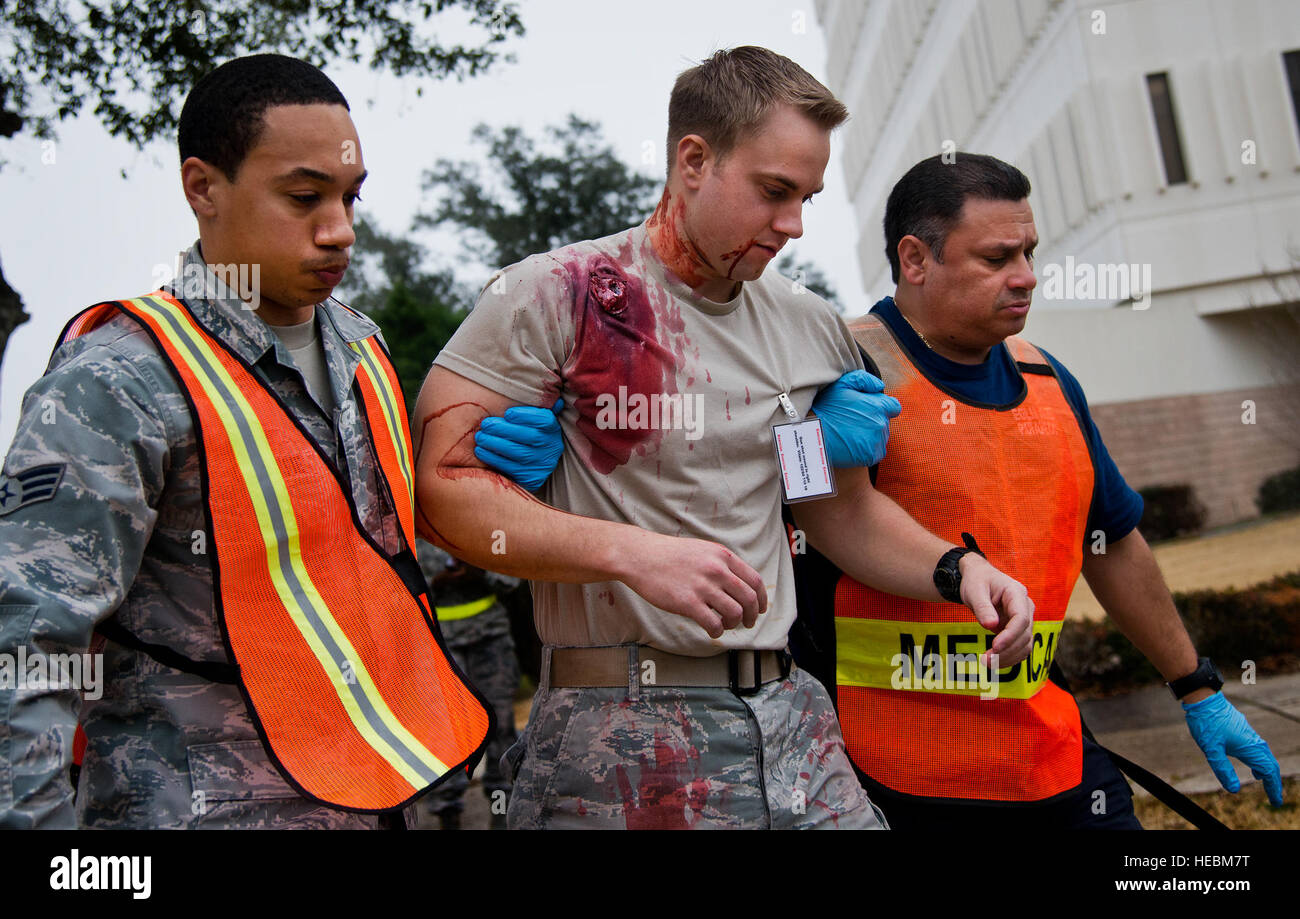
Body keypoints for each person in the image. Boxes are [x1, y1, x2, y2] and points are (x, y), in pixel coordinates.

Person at [414, 47, 1037, 830]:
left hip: (791, 720)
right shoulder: (555, 295)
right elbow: (440, 492)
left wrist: (958, 568)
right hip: (619, 733)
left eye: (807, 197)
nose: (794, 225)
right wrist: (628, 550)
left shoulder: (807, 324)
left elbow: (832, 512)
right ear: (694, 160)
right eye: (774, 191)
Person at [0, 53, 543, 829]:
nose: (340, 230)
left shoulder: (364, 350)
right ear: (202, 188)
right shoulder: (119, 380)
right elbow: (26, 640)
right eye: (304, 196)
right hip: (196, 808)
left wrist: (493, 482)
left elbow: (365, 560)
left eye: (352, 197)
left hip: (375, 792)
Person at [791, 152, 1285, 829]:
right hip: (896, 773)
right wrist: (801, 444)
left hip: (1050, 753)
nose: (1025, 277)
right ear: (915, 259)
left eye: (1029, 252)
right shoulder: (841, 373)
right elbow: (793, 513)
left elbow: (1111, 542)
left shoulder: (1050, 381)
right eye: (997, 258)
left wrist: (1197, 688)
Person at [417, 539, 522, 830]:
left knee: (500, 727)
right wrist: (433, 582)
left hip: (491, 639)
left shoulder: (480, 528)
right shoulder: (413, 528)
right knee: (449, 733)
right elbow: (395, 583)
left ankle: (502, 814)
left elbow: (512, 579)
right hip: (440, 644)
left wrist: (482, 573)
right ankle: (448, 816)